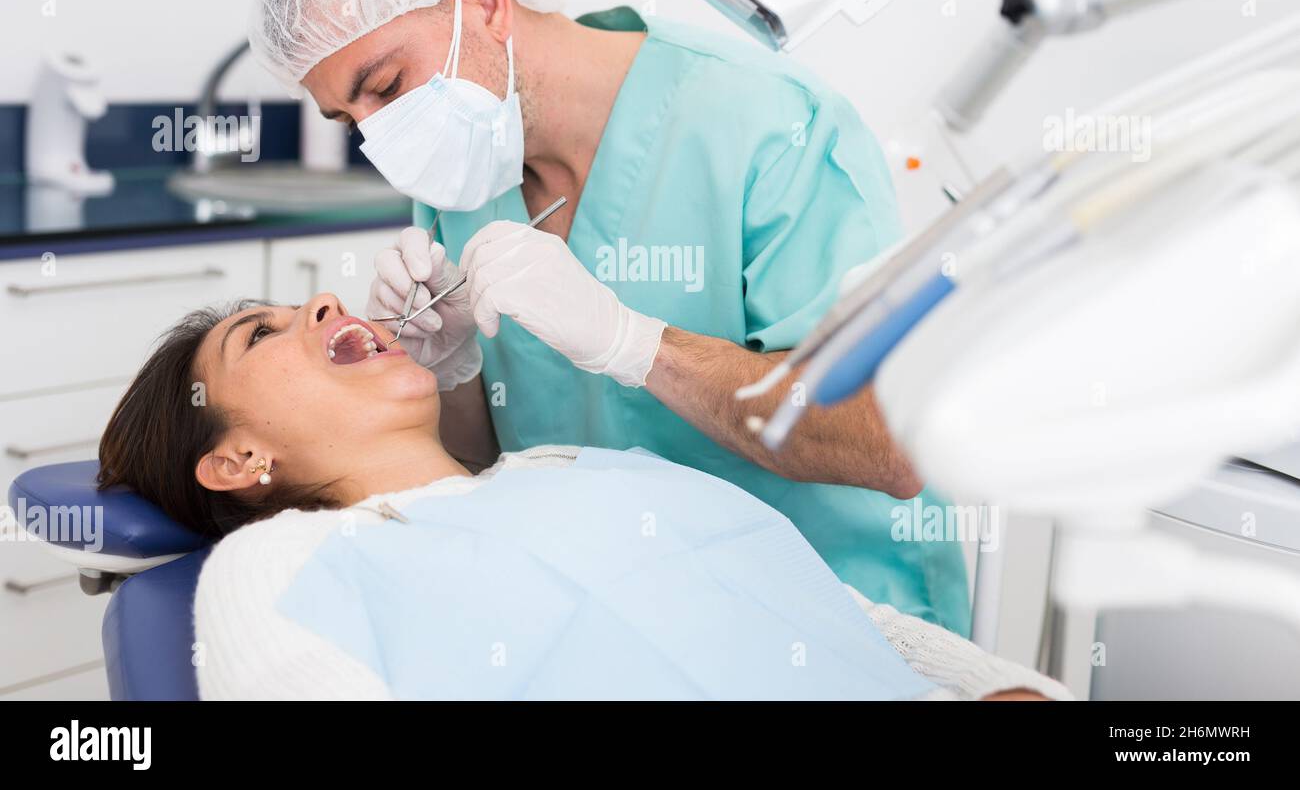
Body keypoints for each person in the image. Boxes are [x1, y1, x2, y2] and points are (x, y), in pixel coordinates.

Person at [247, 0, 968, 634]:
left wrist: (635, 344)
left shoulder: (766, 125)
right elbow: (484, 461)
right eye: (346, 116)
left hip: (828, 619)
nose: (377, 135)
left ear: (486, 5)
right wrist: (451, 374)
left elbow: (885, 445)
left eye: (385, 87)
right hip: (621, 618)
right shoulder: (463, 168)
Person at [97, 296, 1068, 700]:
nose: (320, 305)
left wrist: (1002, 686)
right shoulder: (276, 565)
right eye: (258, 336)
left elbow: (851, 622)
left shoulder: (581, 464)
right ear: (234, 460)